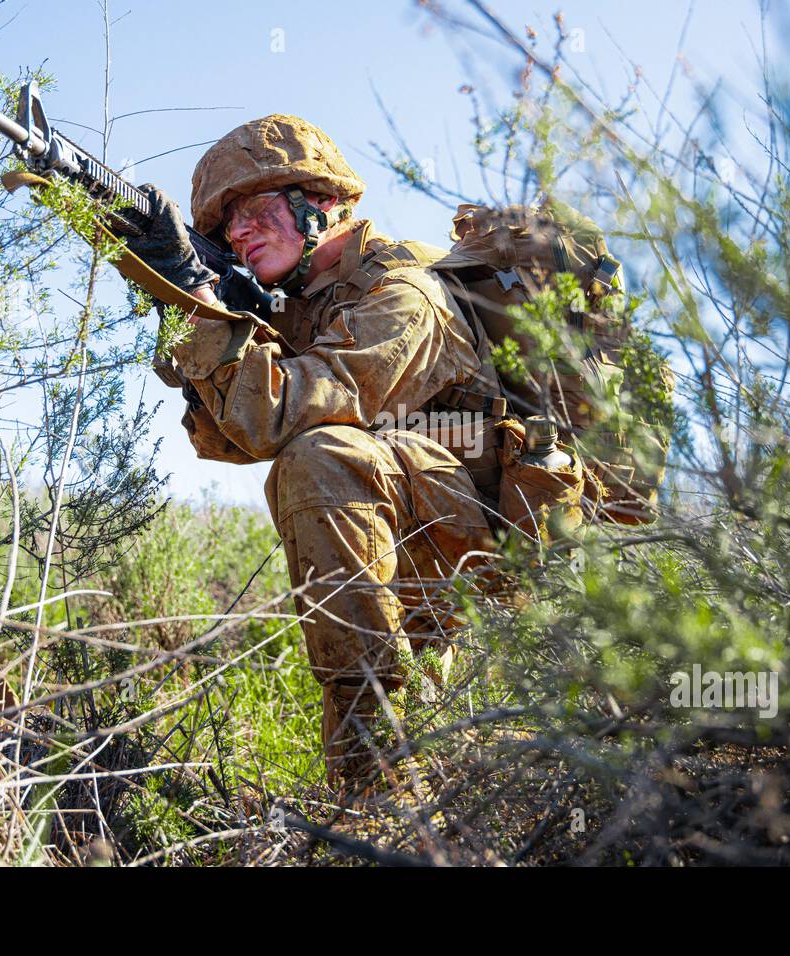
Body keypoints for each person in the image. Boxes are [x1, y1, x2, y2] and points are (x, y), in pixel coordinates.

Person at [128, 115, 506, 786]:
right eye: (225, 228)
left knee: (321, 457)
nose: (238, 233)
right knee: (461, 737)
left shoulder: (404, 295)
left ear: (320, 203)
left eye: (256, 209)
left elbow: (277, 419)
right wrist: (184, 307)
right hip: (419, 530)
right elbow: (225, 440)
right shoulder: (298, 309)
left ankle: (379, 778)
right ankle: (375, 796)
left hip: (487, 546)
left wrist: (199, 309)